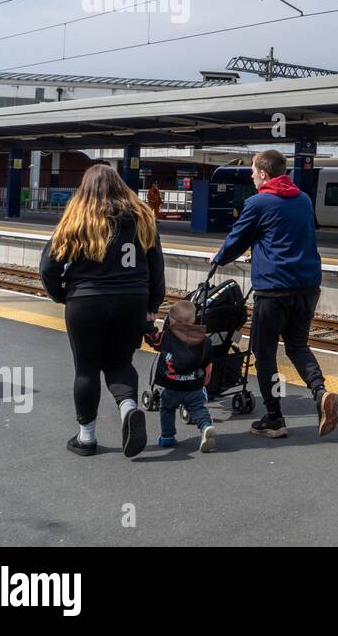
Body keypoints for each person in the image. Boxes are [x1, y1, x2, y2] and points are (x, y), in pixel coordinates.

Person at [39, 164, 164, 458]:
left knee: (87, 368)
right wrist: (152, 307)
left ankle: (86, 438)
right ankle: (129, 409)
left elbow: (48, 267)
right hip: (132, 300)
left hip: (86, 302)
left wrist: (63, 296)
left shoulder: (77, 219)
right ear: (121, 185)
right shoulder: (143, 217)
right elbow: (156, 267)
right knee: (120, 362)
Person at [211, 149, 338, 438]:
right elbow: (284, 236)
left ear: (264, 174)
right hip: (307, 287)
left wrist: (219, 257)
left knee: (264, 351)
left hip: (274, 289)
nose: (252, 177)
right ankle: (319, 391)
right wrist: (259, 253)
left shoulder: (258, 202)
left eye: (254, 172)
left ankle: (274, 418)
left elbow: (237, 238)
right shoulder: (303, 199)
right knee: (296, 346)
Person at [144, 299, 216, 453]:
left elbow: (152, 337)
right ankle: (206, 427)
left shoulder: (166, 337)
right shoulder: (205, 340)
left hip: (171, 386)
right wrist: (207, 377)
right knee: (198, 409)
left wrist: (148, 323)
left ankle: (167, 437)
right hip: (194, 386)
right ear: (194, 320)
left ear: (170, 321)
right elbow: (208, 363)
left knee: (167, 409)